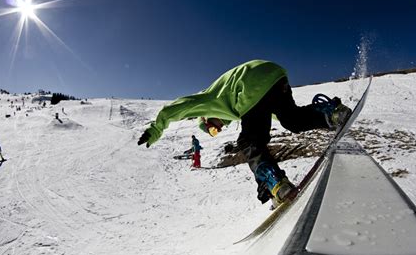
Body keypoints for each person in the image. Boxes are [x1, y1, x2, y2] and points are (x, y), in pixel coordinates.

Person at [138, 60, 351, 207]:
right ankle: (331, 113)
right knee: (292, 120)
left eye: (212, 127)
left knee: (249, 141)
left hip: (250, 86)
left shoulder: (209, 99)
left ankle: (275, 182)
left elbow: (174, 109)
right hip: (275, 75)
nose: (218, 128)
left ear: (205, 117)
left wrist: (155, 130)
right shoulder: (233, 106)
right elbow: (271, 111)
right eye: (214, 132)